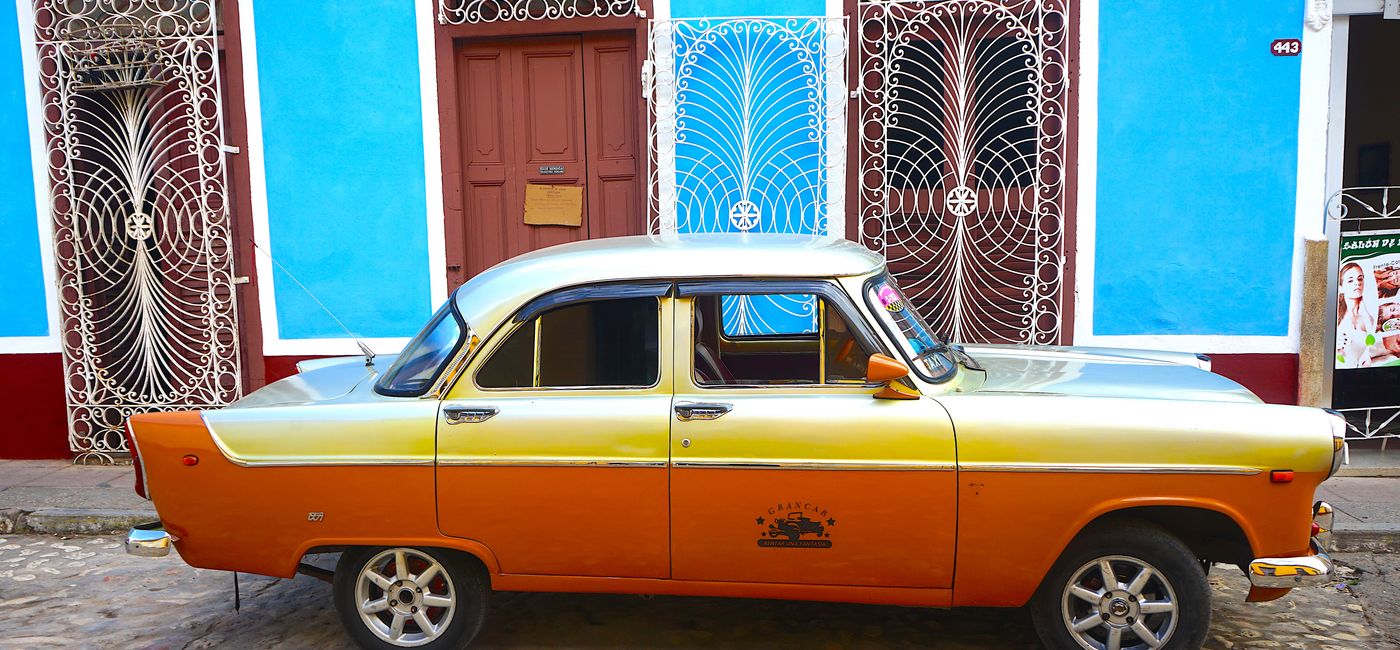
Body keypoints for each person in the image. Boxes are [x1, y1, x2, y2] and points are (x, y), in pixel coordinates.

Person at [1336, 262, 1377, 367]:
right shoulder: (1336, 314)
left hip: (1358, 375)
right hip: (1338, 373)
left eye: (1360, 279)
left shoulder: (1368, 317)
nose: (1357, 283)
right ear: (1341, 287)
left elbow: (1371, 344)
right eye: (1350, 280)